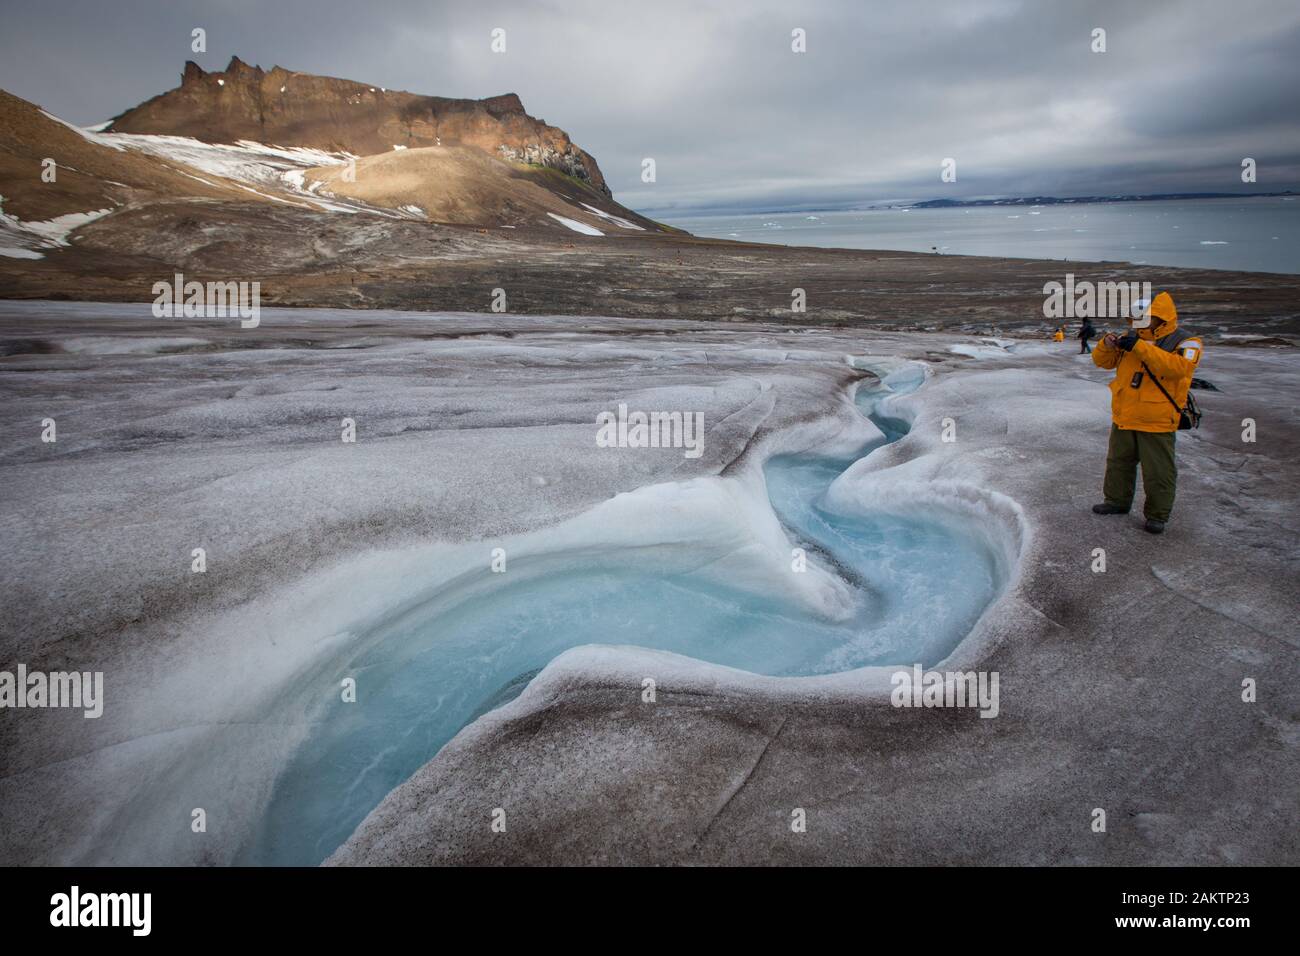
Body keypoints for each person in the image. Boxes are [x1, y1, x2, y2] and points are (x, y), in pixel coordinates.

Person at [1090, 292, 1202, 533]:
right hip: (1125, 414)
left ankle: (1157, 515)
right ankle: (1116, 501)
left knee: (1158, 470)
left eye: (1144, 318)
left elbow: (1178, 369)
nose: (1138, 322)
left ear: (1160, 317)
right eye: (1136, 318)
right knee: (1118, 463)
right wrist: (1106, 345)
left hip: (1157, 420)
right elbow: (1102, 362)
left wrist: (1140, 347)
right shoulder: (1130, 338)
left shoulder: (1186, 342)